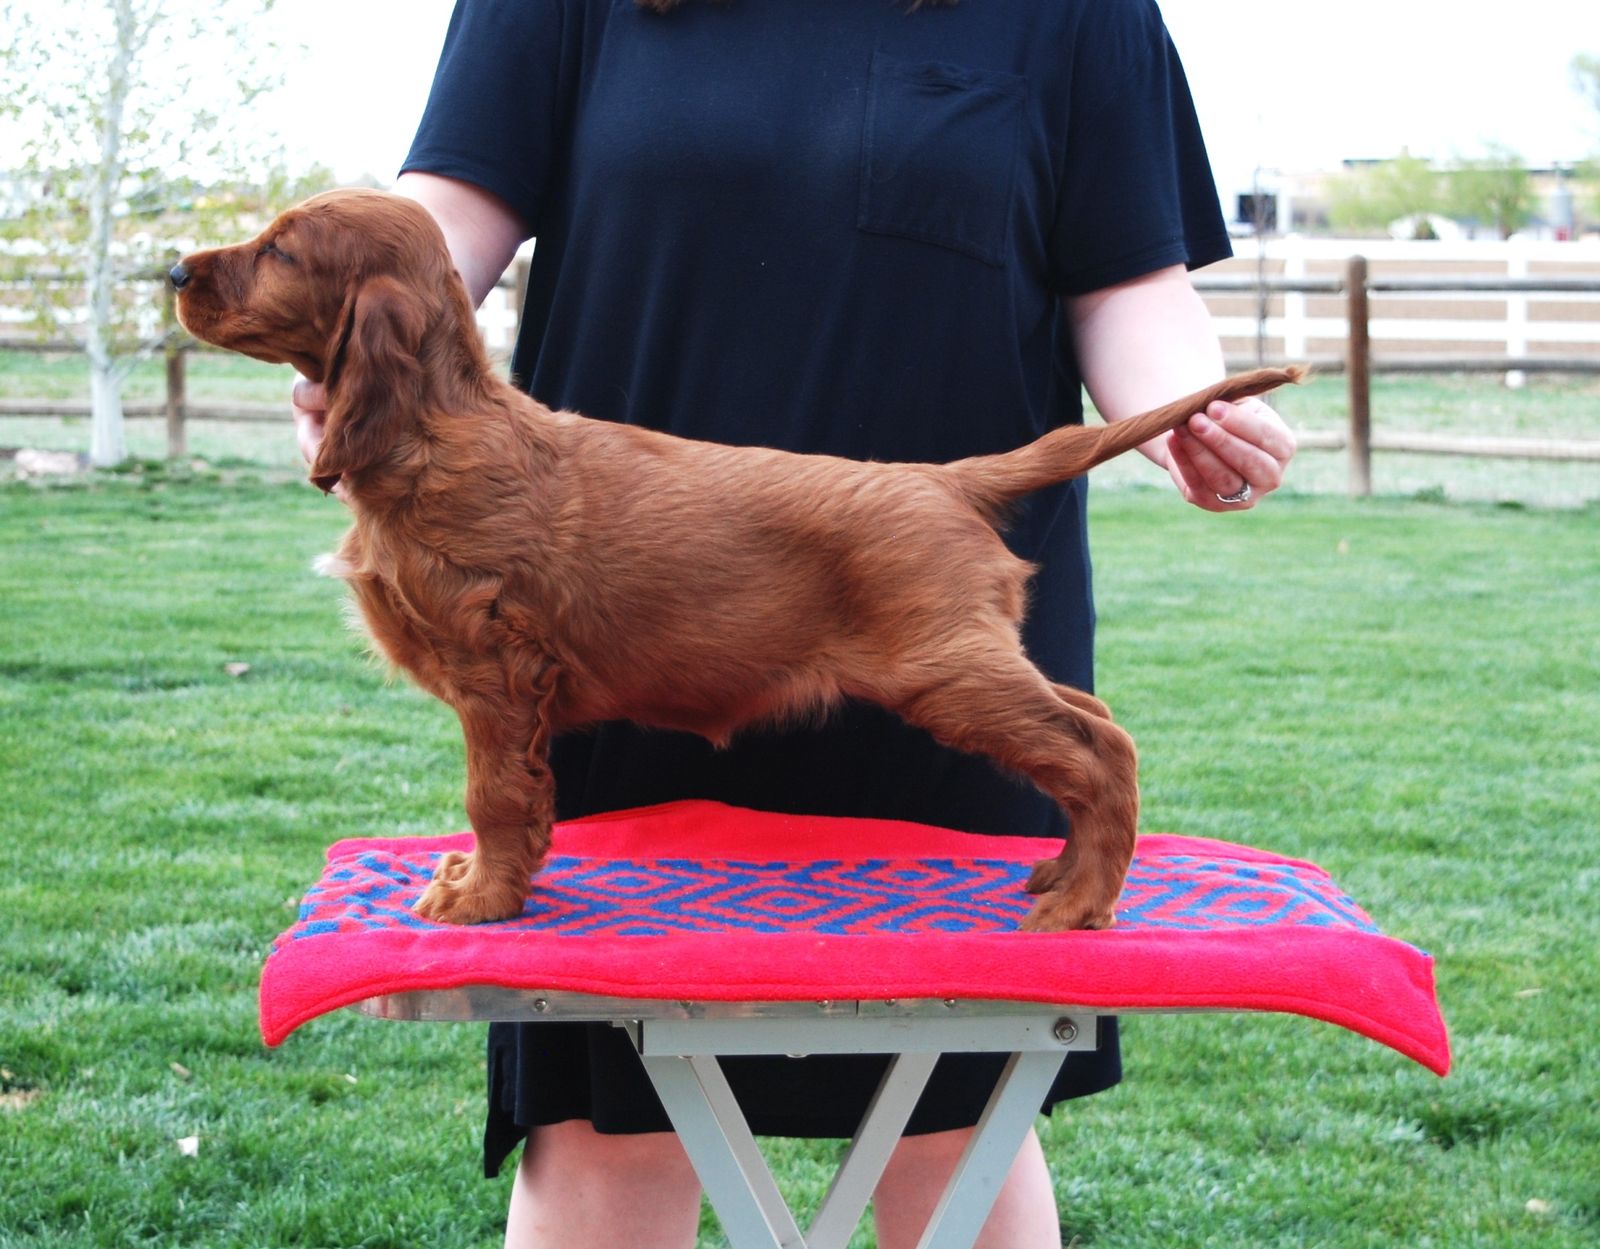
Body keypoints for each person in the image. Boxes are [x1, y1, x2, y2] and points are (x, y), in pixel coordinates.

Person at [292, 0, 1297, 1244]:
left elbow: (1126, 275)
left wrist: (1183, 409)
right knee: (610, 1117)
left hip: (914, 582)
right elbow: (435, 229)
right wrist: (342, 355)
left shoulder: (1079, 12)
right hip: (609, 597)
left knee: (953, 1122)